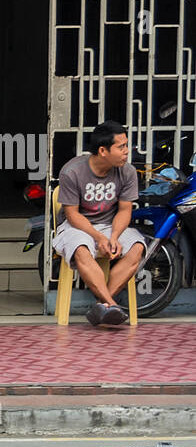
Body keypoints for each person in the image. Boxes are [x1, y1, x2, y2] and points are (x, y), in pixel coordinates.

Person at [51, 120, 144, 327]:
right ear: (103, 150)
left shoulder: (127, 171)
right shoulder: (72, 171)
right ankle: (111, 304)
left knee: (137, 247)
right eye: (121, 147)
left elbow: (125, 210)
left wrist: (113, 237)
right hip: (77, 226)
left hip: (112, 226)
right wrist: (98, 237)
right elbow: (72, 214)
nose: (127, 151)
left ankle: (103, 306)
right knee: (81, 249)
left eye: (126, 145)